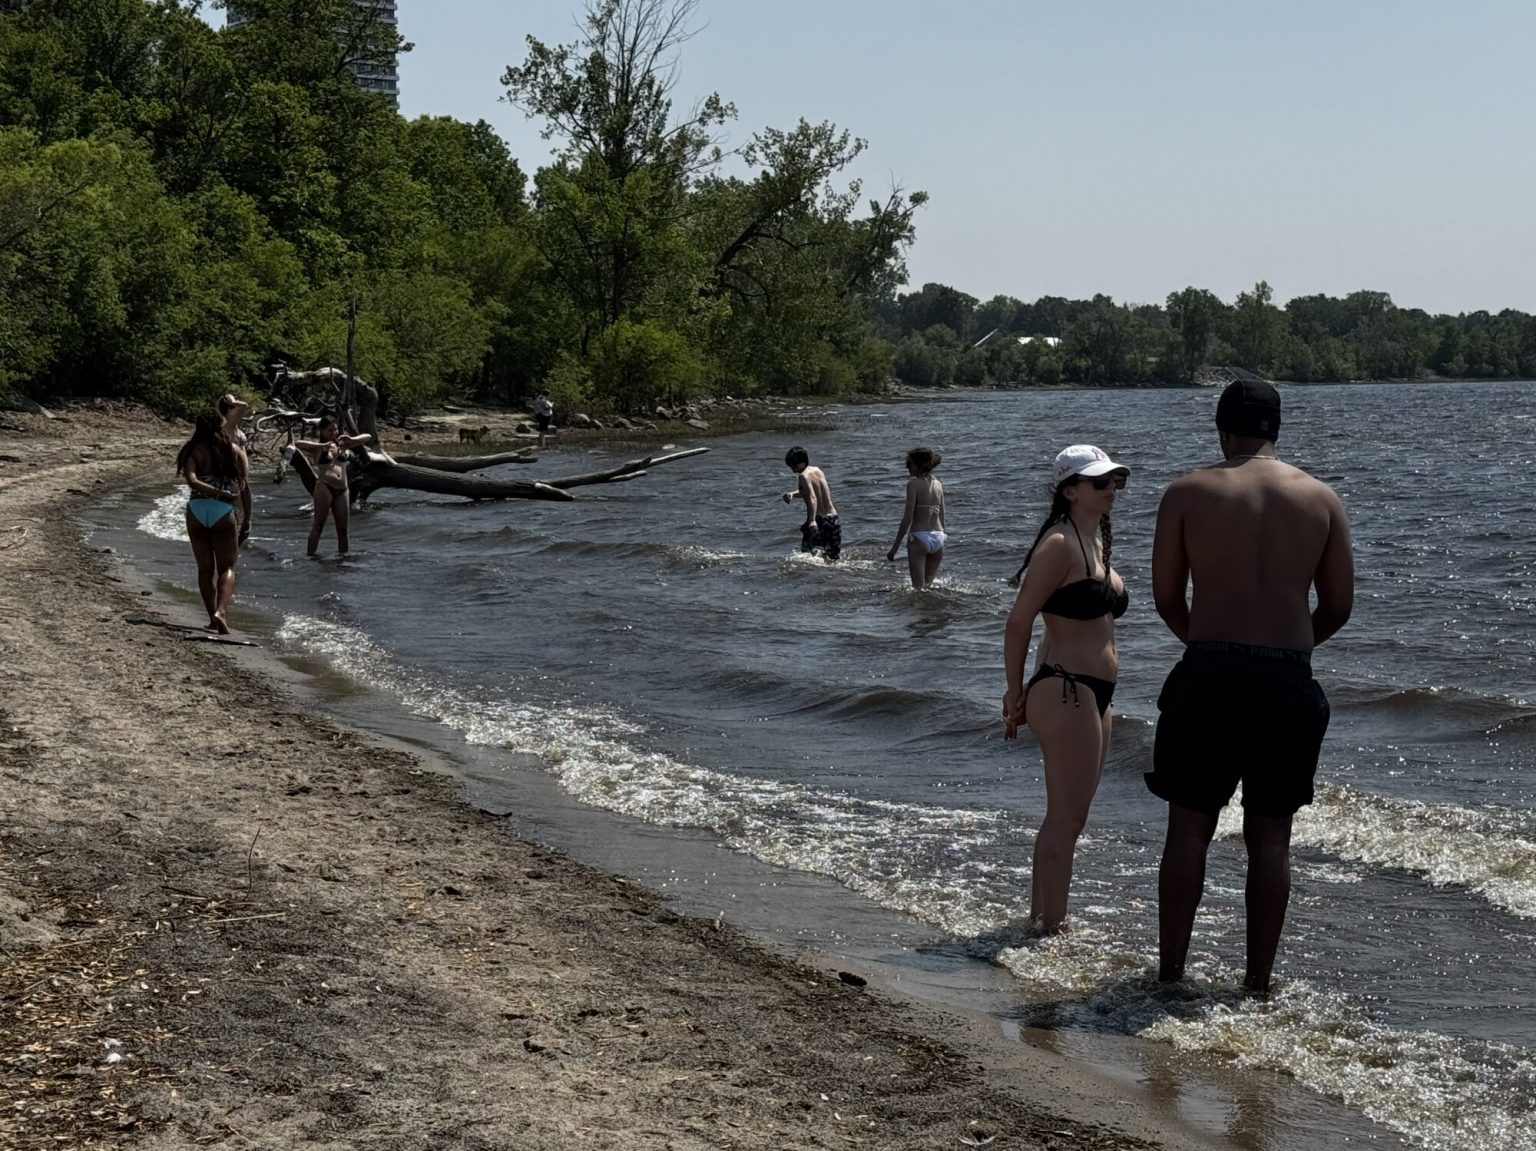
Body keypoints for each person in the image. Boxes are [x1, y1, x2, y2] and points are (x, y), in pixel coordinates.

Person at [1147, 374, 1353, 996]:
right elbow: (1339, 605)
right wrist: (1290, 650)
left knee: (1190, 825)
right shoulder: (1322, 499)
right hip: (1286, 678)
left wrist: (1205, 643)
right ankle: (1257, 984)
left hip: (1209, 670)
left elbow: (1164, 596)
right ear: (1276, 431)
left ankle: (1171, 975)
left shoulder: (1187, 492)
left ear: (1223, 429)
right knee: (1272, 833)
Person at [1003, 444, 1130, 932]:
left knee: (1067, 819)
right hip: (1066, 690)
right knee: (1065, 821)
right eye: (1100, 482)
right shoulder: (1058, 543)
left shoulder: (1093, 541)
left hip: (1090, 693)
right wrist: (1016, 693)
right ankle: (1050, 932)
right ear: (1070, 490)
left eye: (1115, 480)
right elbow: (1019, 622)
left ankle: (1040, 921)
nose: (1111, 489)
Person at [175, 410, 251, 634]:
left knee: (204, 569)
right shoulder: (233, 450)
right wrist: (246, 516)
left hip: (196, 510)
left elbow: (191, 480)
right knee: (227, 567)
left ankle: (211, 617)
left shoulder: (192, 451)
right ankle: (221, 612)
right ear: (220, 427)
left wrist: (210, 491)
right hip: (223, 511)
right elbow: (243, 486)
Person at [295, 417, 372, 557]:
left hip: (343, 489)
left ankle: (343, 558)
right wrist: (321, 446)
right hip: (325, 486)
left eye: (335, 429)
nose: (334, 432)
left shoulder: (343, 445)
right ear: (322, 431)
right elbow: (298, 444)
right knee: (319, 526)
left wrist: (351, 439)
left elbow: (368, 437)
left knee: (343, 530)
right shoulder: (317, 448)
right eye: (330, 430)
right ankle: (310, 557)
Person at [886, 446, 947, 589]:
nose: (907, 468)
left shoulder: (913, 484)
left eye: (909, 464)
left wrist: (894, 548)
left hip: (919, 538)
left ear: (919, 465)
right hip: (938, 537)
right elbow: (942, 516)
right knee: (928, 588)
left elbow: (907, 518)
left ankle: (917, 611)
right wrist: (941, 539)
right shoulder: (938, 484)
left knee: (918, 589)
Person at [782, 446, 841, 561]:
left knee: (806, 554)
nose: (793, 470)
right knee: (833, 557)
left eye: (794, 466)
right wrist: (793, 494)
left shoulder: (804, 476)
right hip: (833, 518)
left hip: (819, 520)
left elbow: (812, 497)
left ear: (801, 462)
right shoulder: (817, 471)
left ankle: (812, 577)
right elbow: (812, 492)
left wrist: (812, 520)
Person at [218, 393, 253, 533]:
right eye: (233, 406)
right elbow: (244, 406)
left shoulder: (236, 427)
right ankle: (235, 532)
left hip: (242, 473)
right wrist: (232, 401)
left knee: (246, 496)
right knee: (237, 506)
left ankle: (246, 522)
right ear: (228, 409)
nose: (236, 408)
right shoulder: (229, 426)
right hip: (233, 473)